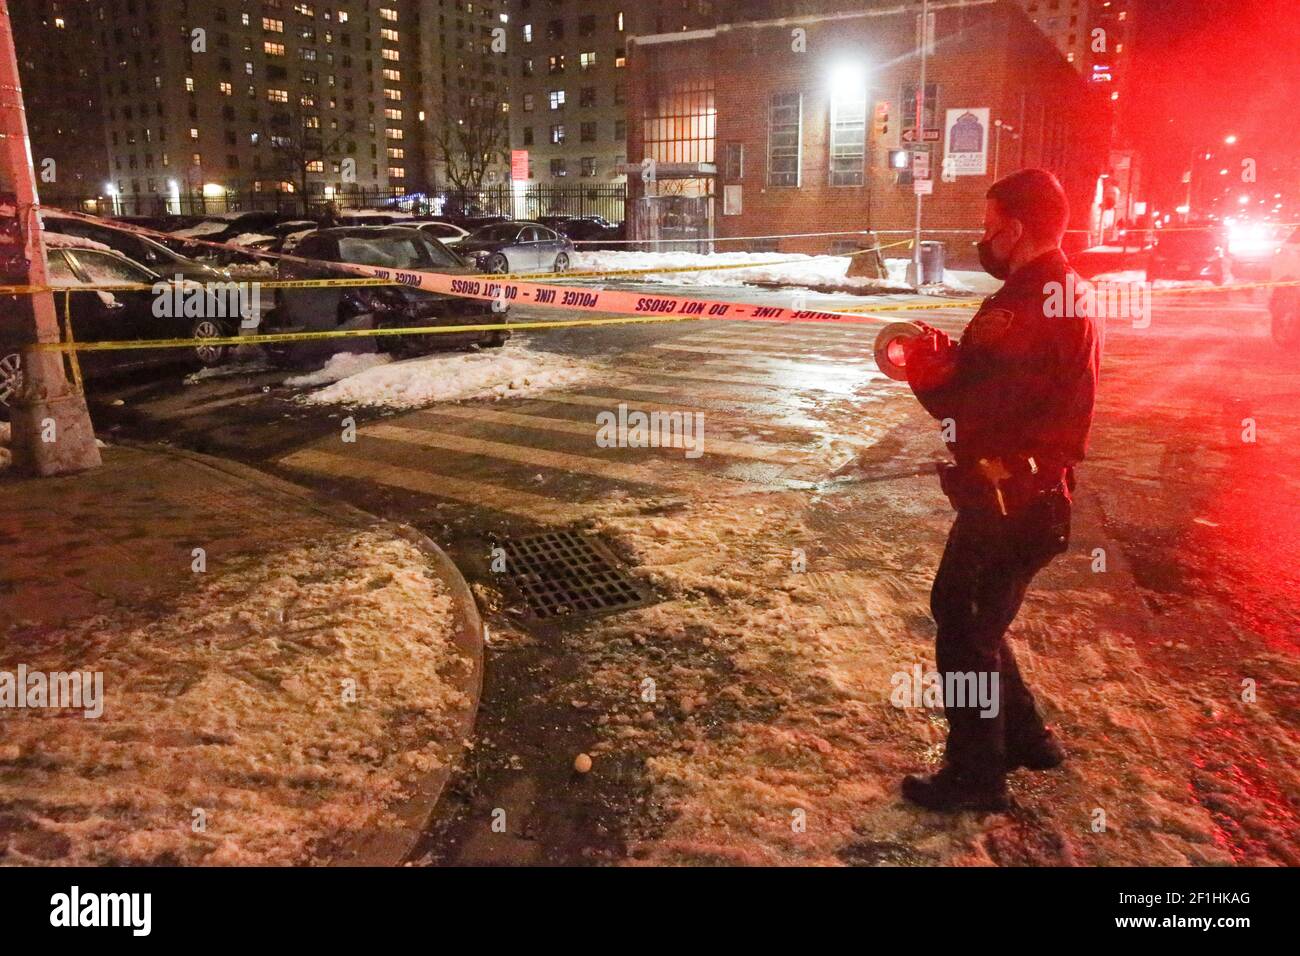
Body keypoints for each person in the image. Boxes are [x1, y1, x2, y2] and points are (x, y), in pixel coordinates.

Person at [899, 168, 1103, 812]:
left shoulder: (1023, 303)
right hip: (1041, 495)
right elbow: (1012, 390)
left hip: (1007, 497)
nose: (984, 241)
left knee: (961, 622)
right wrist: (956, 363)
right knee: (984, 615)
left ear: (1015, 229)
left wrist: (930, 379)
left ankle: (974, 775)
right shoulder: (1065, 291)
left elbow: (979, 411)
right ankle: (1026, 737)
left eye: (989, 229)